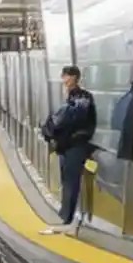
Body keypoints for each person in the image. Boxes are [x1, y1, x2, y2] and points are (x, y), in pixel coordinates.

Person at [40, 65, 97, 234]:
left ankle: (68, 218)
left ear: (75, 78)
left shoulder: (83, 98)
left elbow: (65, 118)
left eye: (68, 76)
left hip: (76, 146)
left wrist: (50, 128)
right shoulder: (68, 97)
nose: (65, 79)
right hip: (66, 146)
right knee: (66, 181)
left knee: (71, 181)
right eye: (64, 76)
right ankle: (65, 214)